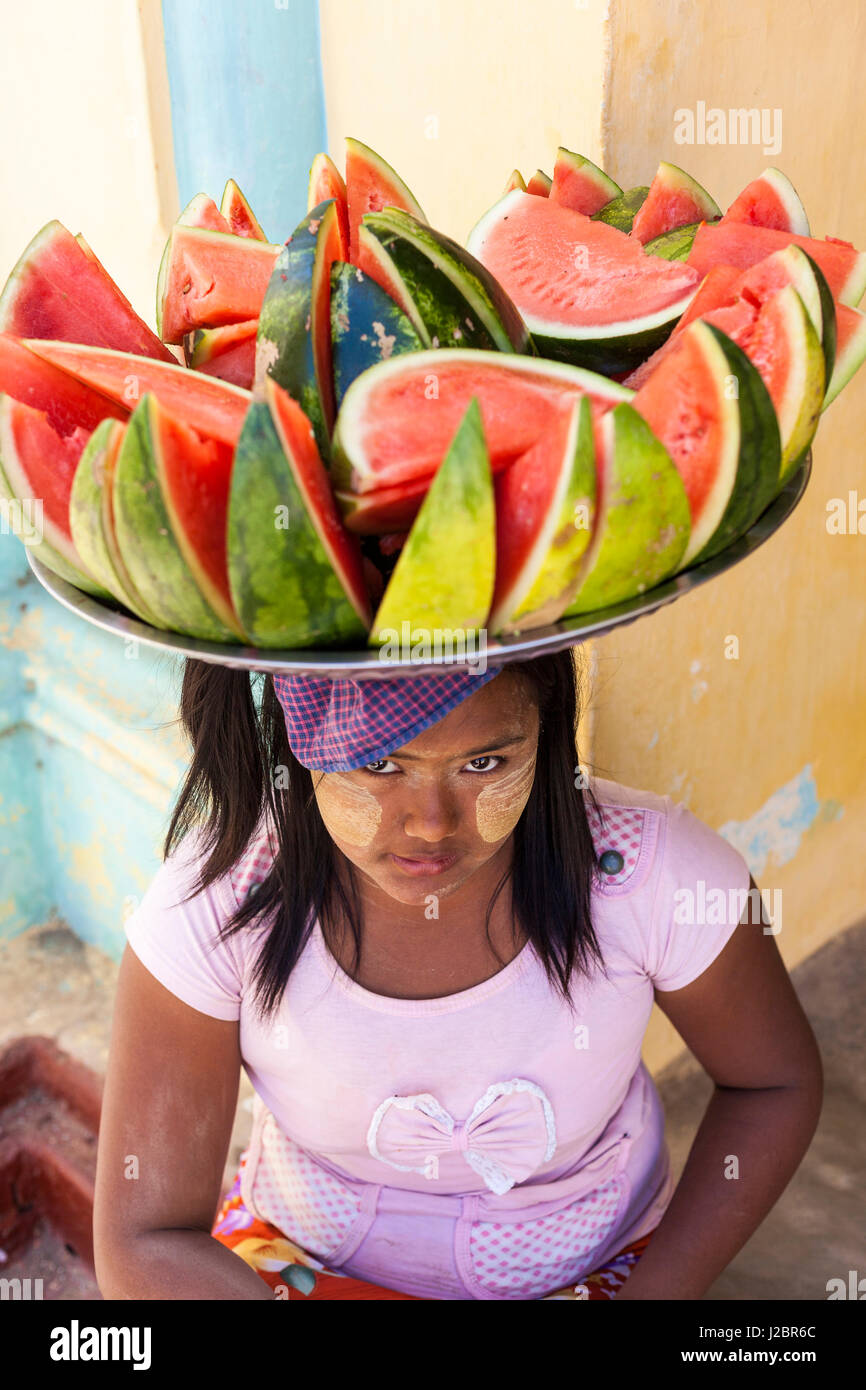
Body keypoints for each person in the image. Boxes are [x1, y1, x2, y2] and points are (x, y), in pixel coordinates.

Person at [93, 650, 823, 1300]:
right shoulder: (222, 900)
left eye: (485, 764)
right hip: (295, 1263)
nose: (432, 823)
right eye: (379, 764)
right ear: (299, 747)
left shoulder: (653, 877)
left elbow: (772, 1085)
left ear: (548, 729)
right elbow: (144, 1237)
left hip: (602, 1268)